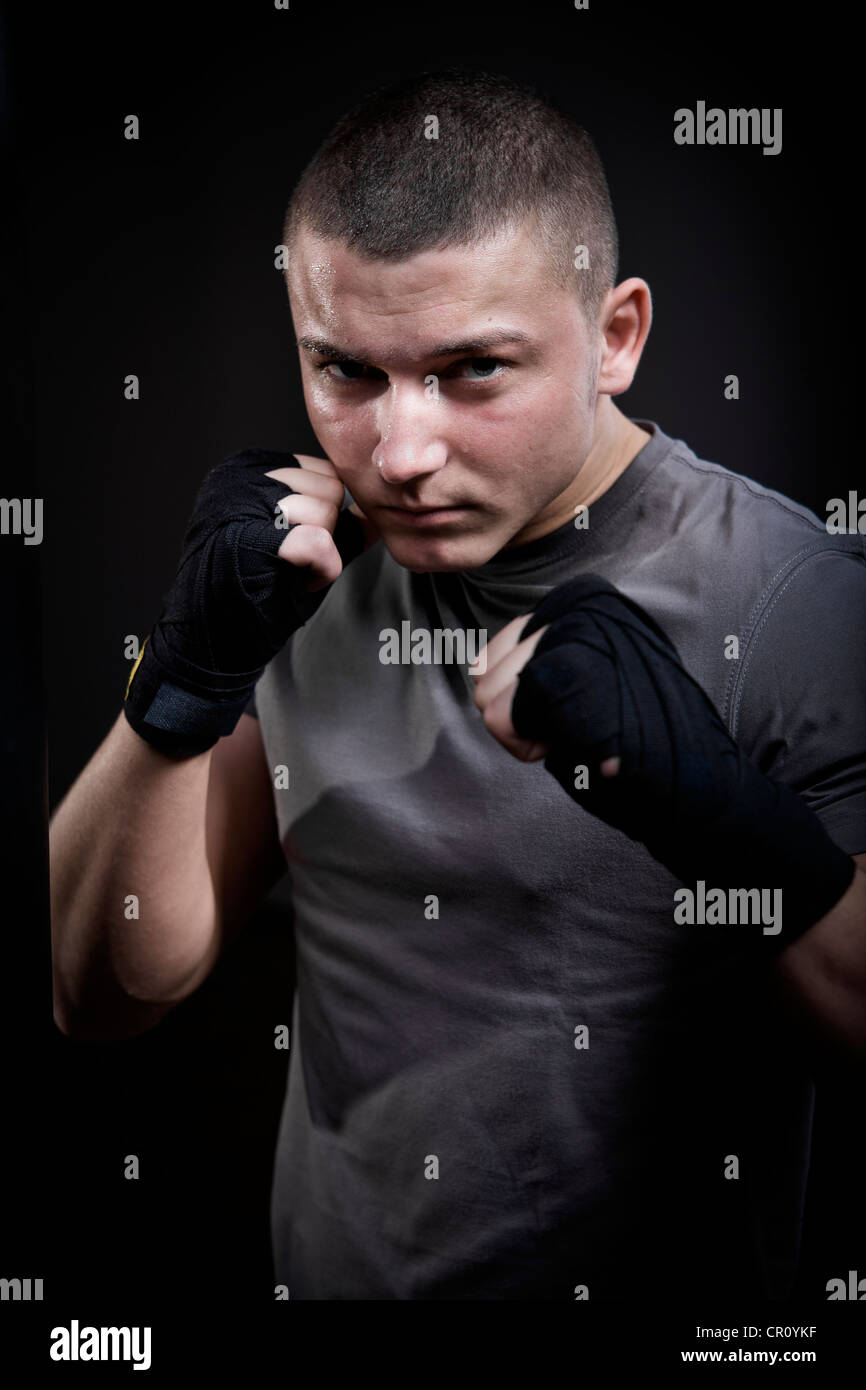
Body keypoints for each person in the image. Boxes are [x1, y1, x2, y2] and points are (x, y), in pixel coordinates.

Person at [49, 69, 866, 1301]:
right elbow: (103, 990)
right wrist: (179, 680)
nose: (400, 454)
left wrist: (718, 815)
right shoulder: (298, 573)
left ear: (615, 337)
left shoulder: (788, 601)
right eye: (345, 372)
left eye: (473, 368)